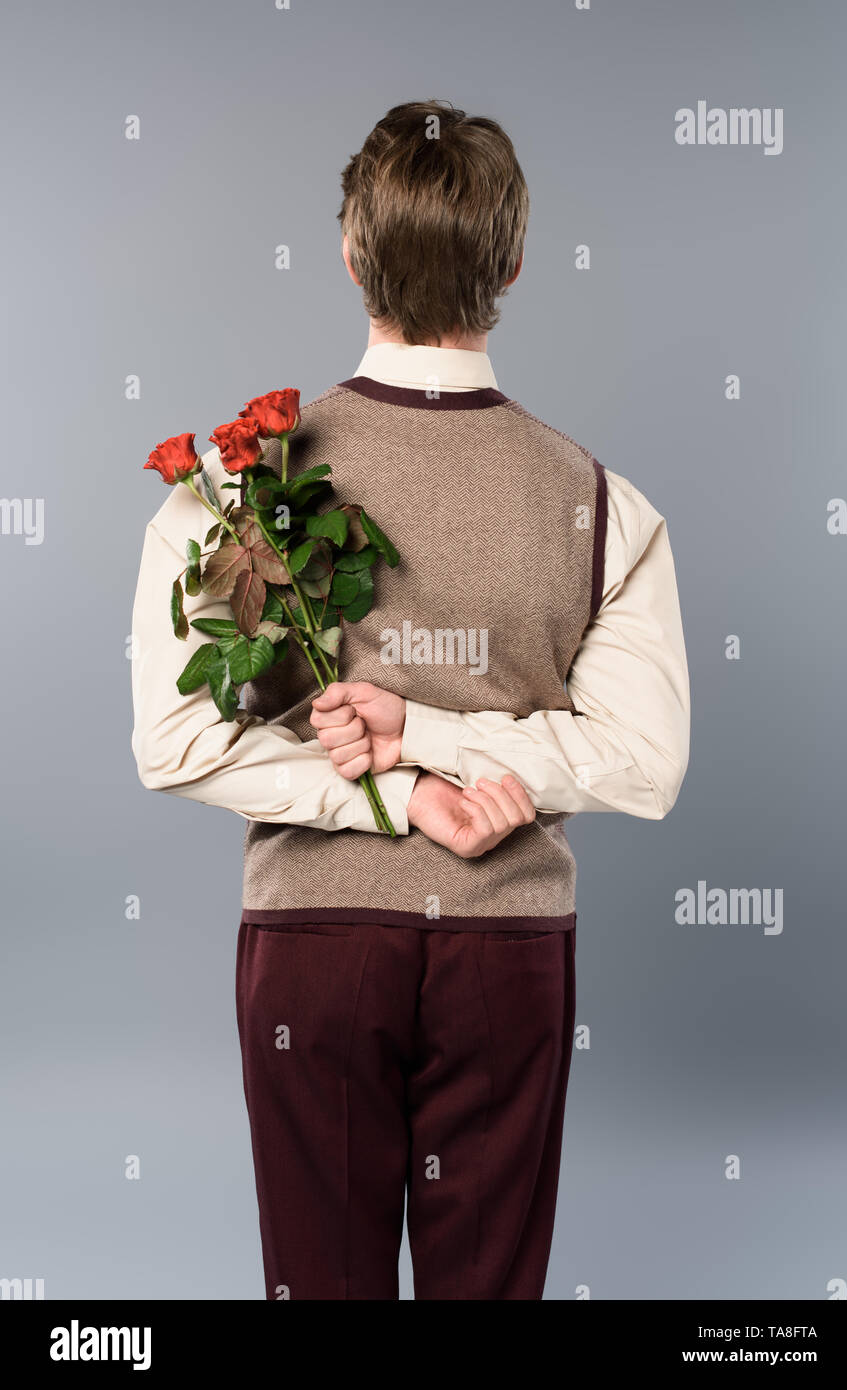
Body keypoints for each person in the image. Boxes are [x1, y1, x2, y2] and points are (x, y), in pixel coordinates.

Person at [130, 100, 690, 1301]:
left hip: (314, 953)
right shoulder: (606, 505)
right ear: (515, 265)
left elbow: (173, 743)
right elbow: (646, 760)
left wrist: (382, 785)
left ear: (349, 252)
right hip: (510, 948)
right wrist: (447, 774)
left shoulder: (235, 491)